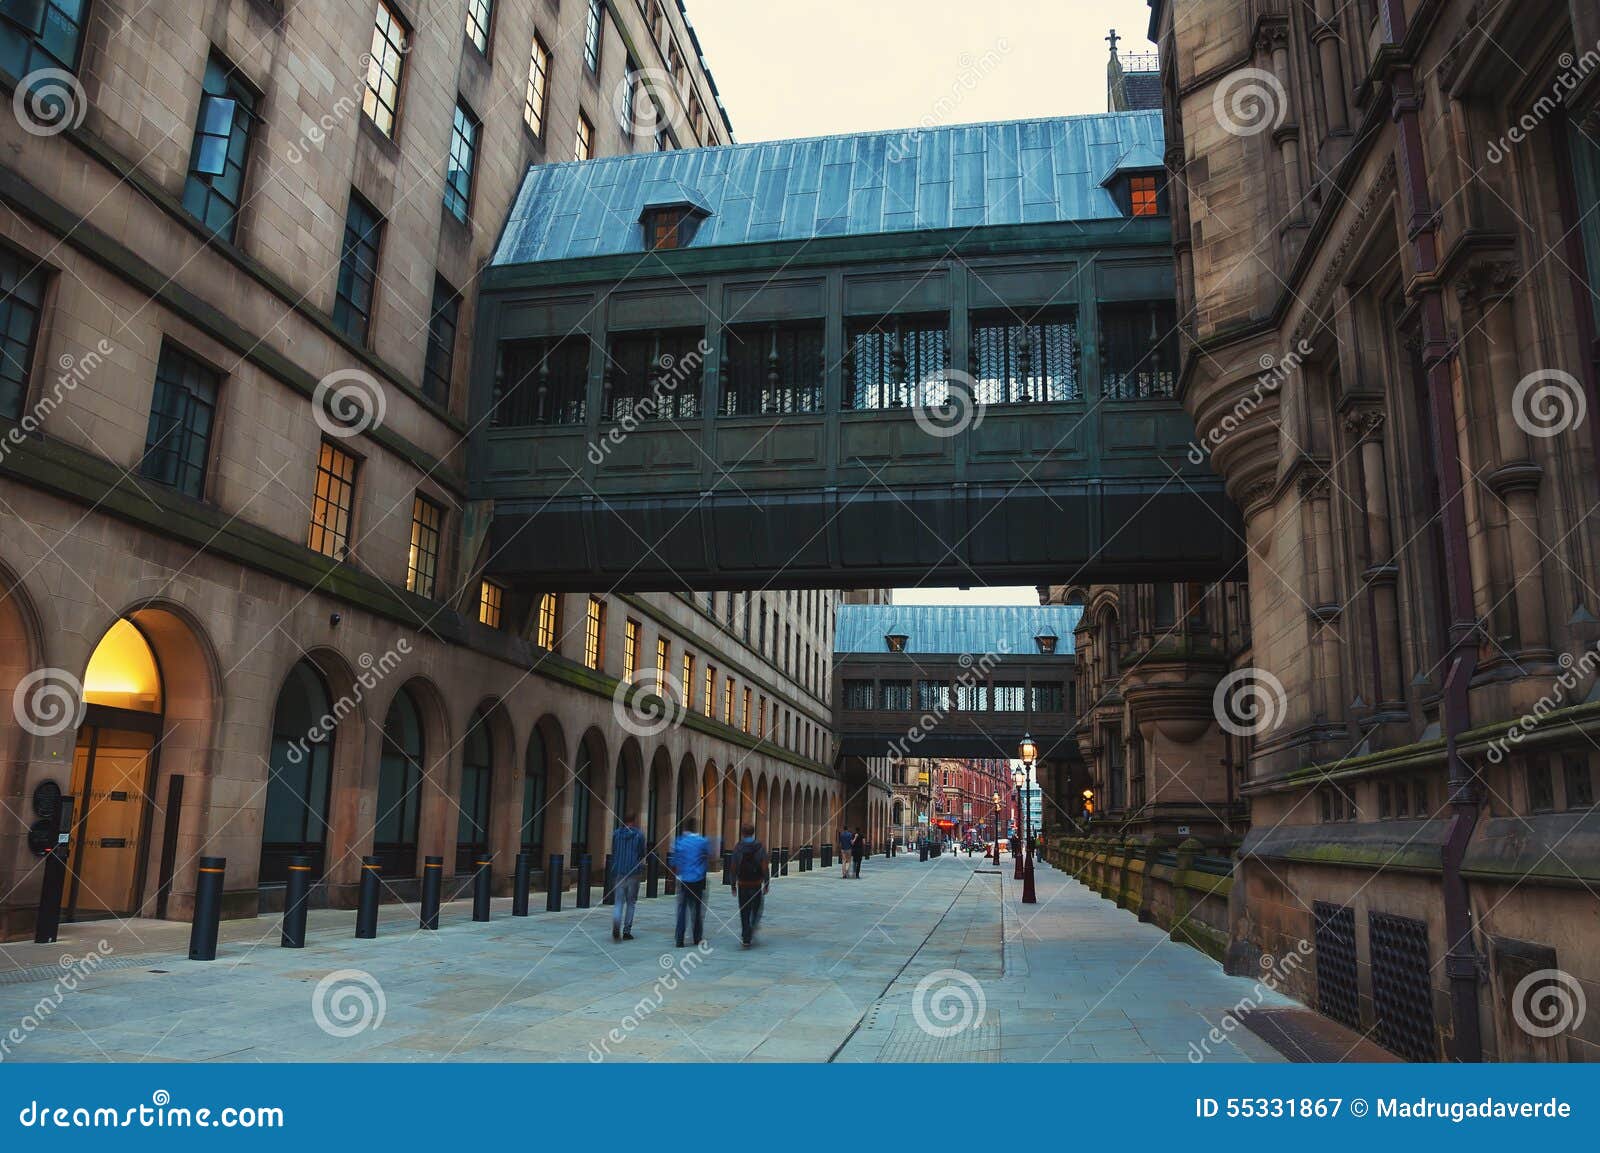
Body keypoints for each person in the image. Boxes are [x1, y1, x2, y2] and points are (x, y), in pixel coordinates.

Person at [669, 817, 713, 948]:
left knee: (682, 909)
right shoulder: (702, 841)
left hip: (684, 880)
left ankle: (680, 938)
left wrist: (673, 877)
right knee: (697, 909)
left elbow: (674, 862)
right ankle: (697, 936)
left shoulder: (679, 842)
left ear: (684, 828)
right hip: (698, 879)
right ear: (695, 827)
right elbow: (708, 857)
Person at [728, 823, 769, 947]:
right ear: (753, 832)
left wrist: (732, 884)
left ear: (742, 833)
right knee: (756, 909)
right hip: (756, 884)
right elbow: (765, 866)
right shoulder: (760, 847)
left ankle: (746, 936)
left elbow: (733, 867)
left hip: (743, 884)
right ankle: (751, 929)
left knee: (744, 910)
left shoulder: (738, 847)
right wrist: (766, 883)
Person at [609, 812, 646, 941]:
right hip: (633, 873)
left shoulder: (616, 834)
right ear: (633, 821)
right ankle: (627, 931)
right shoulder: (639, 835)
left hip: (619, 872)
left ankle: (616, 925)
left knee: (618, 902)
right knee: (631, 902)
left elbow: (613, 851)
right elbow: (642, 853)